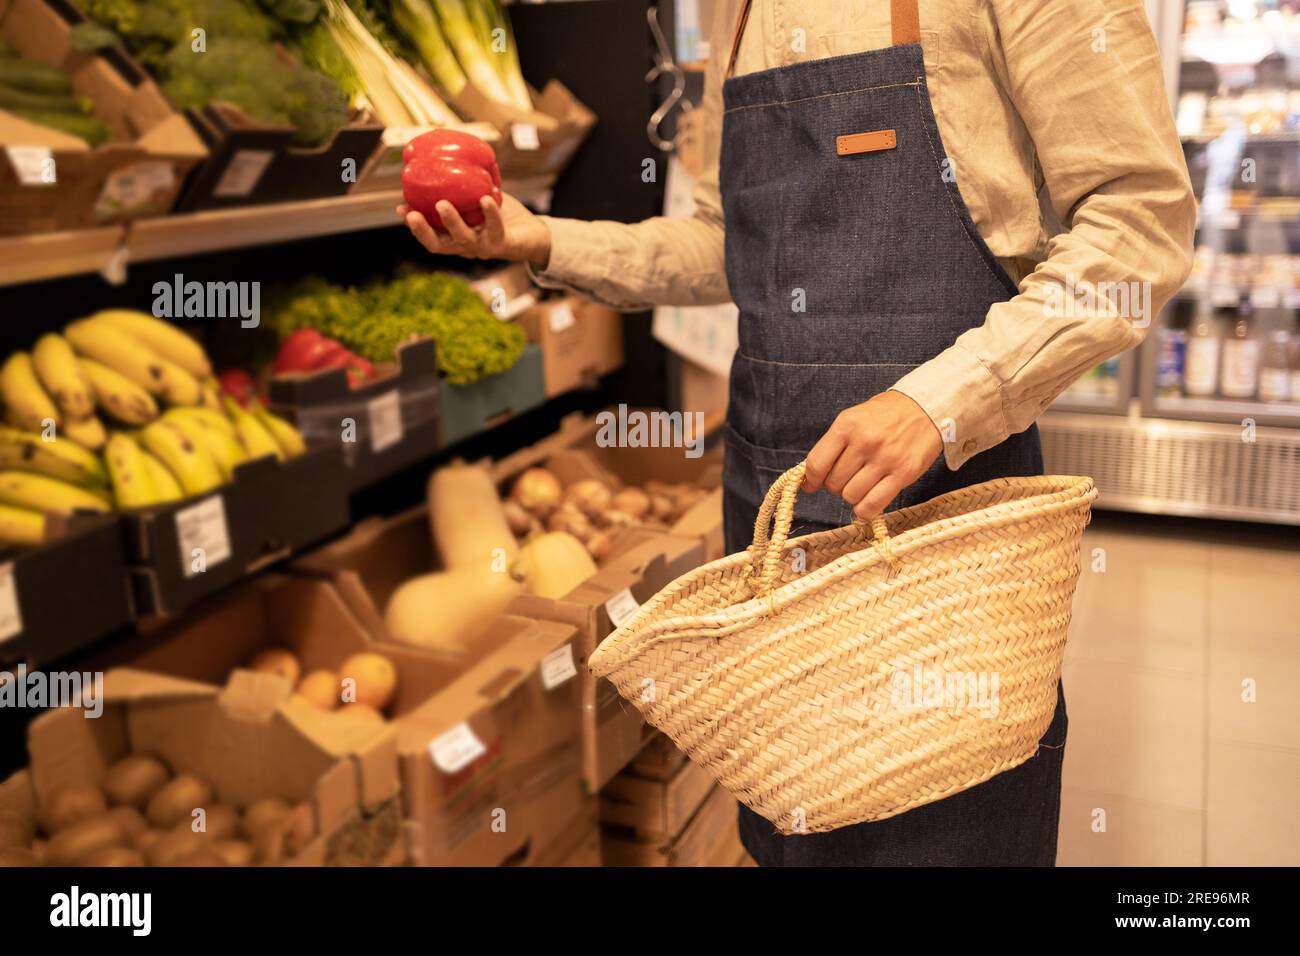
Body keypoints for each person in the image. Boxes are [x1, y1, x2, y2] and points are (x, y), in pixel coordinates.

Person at [399, 0, 1196, 866]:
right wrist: (543, 238)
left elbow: (1138, 223)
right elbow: (720, 244)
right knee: (795, 823)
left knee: (938, 830)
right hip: (771, 512)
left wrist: (941, 401)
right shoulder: (735, 11)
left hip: (938, 526)